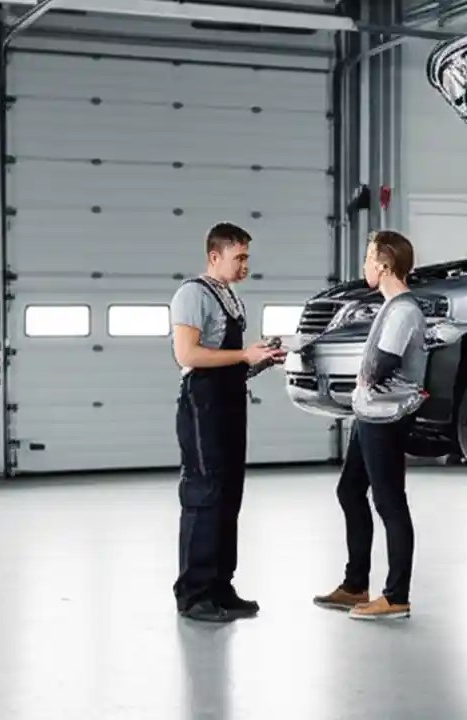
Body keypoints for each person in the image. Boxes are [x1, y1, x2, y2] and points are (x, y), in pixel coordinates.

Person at [169, 222, 286, 623]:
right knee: (204, 492)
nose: (245, 265)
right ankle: (194, 593)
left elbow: (233, 363)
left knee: (229, 493)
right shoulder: (192, 294)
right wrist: (242, 357)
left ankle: (221, 585)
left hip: (230, 401)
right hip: (202, 404)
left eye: (247, 257)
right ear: (214, 256)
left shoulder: (232, 298)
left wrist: (259, 360)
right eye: (239, 257)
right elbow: (187, 355)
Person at [314, 230, 427, 621]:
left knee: (390, 502)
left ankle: (396, 596)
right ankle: (355, 585)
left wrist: (357, 381)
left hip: (386, 417)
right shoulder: (390, 306)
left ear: (384, 264)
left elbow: (381, 364)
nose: (364, 266)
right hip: (369, 414)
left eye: (368, 259)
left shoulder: (403, 311)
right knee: (349, 491)